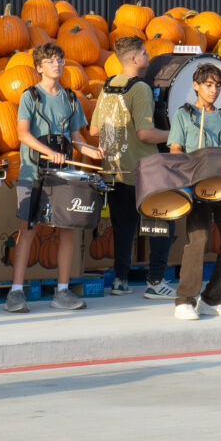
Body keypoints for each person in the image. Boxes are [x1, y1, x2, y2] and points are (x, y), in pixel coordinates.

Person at [6, 42, 104, 313]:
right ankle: (15, 292)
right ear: (39, 68)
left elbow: (76, 140)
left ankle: (62, 290)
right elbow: (23, 134)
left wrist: (93, 151)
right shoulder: (30, 97)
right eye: (50, 61)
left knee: (67, 229)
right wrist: (48, 151)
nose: (56, 64)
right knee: (27, 230)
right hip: (33, 172)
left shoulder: (71, 98)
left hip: (62, 176)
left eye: (60, 60)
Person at [90, 36, 170, 297]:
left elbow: (94, 130)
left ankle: (120, 281)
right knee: (160, 224)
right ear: (134, 58)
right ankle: (156, 282)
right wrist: (175, 134)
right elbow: (145, 134)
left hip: (114, 170)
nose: (148, 58)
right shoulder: (141, 89)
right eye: (145, 54)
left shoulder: (108, 85)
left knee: (123, 228)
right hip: (143, 170)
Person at [165, 65, 221, 319]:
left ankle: (213, 298)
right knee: (197, 241)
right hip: (195, 187)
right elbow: (175, 149)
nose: (214, 90)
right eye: (209, 85)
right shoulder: (183, 115)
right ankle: (184, 300)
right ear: (196, 86)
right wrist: (190, 166)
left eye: (217, 85)